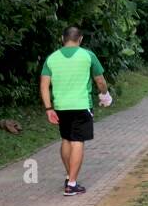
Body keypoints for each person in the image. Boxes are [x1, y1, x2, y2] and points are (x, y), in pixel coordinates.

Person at [39, 26, 113, 196]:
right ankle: (71, 184)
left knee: (66, 139)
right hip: (81, 105)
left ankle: (69, 176)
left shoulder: (52, 58)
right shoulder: (88, 55)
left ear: (62, 38)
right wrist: (105, 94)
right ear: (80, 39)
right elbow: (100, 80)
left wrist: (49, 108)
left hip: (61, 107)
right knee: (77, 141)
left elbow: (44, 86)